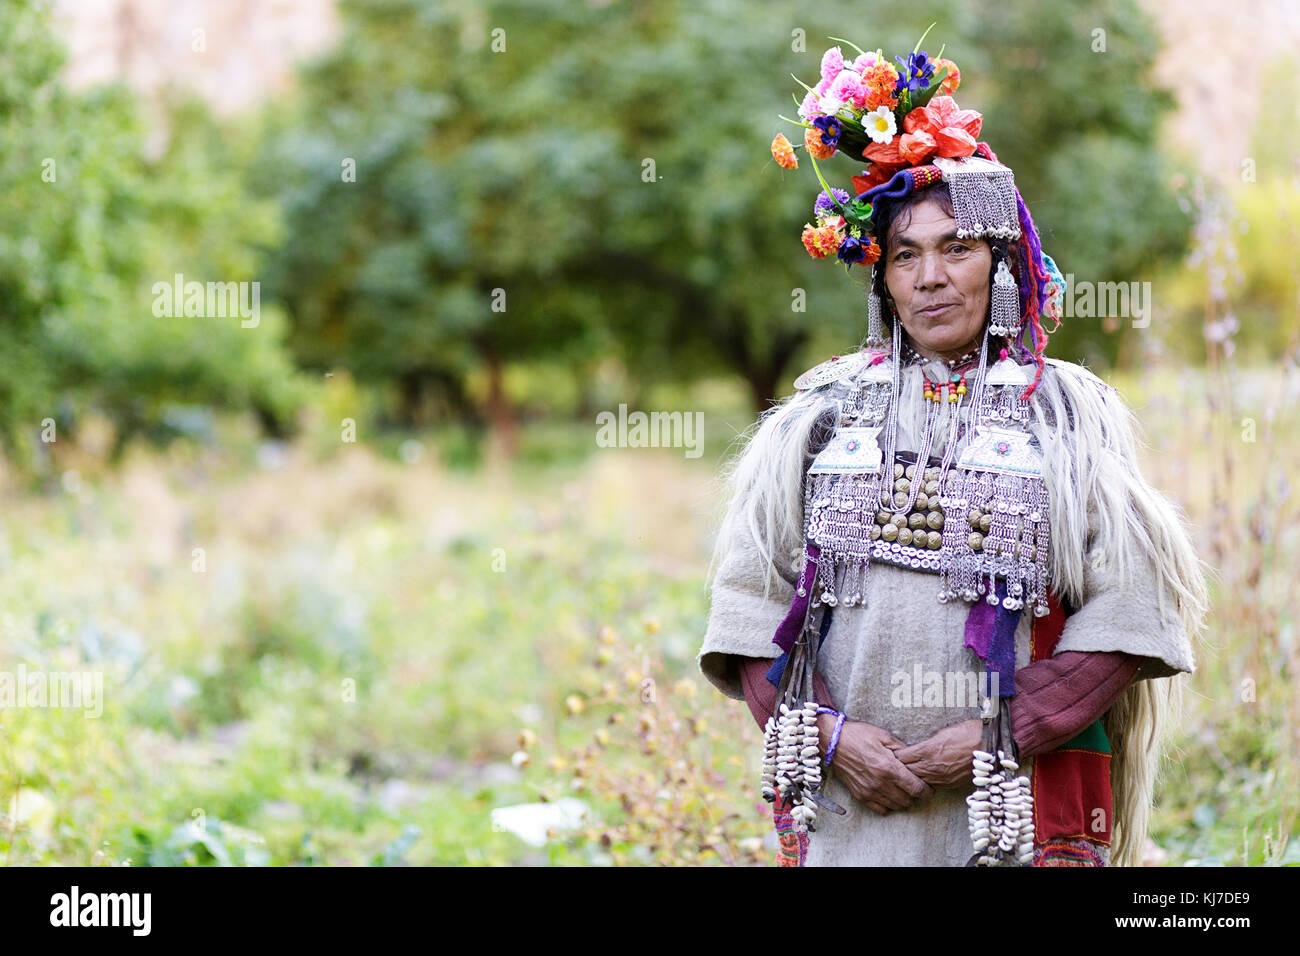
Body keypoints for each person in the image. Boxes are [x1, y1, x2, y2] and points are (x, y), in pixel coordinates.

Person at [697, 40, 1210, 867]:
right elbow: (752, 607)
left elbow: (1129, 614)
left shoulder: (1066, 413)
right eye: (907, 255)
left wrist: (994, 733)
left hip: (1007, 803)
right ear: (883, 281)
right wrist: (829, 738)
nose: (931, 277)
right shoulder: (819, 417)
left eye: (957, 248)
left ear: (1001, 263)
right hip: (849, 812)